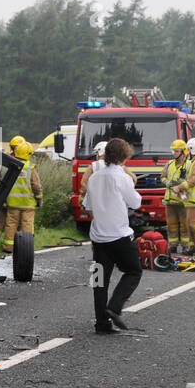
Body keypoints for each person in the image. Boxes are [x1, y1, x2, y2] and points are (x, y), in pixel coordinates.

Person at [84, 138, 143, 334]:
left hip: (98, 239)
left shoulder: (94, 178)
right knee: (134, 271)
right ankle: (115, 306)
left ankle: (101, 324)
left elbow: (88, 206)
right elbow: (135, 203)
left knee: (99, 281)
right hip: (119, 236)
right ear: (125, 155)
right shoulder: (122, 177)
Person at [0, 135, 42, 255]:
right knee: (27, 225)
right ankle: (25, 248)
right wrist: (39, 199)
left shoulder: (12, 165)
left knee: (11, 224)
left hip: (12, 203)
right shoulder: (30, 168)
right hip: (28, 205)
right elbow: (36, 186)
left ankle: (8, 247)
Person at [163, 139, 190, 251]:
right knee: (171, 226)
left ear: (183, 152)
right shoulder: (169, 164)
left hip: (183, 201)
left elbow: (190, 181)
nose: (174, 153)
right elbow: (162, 177)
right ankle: (173, 246)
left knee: (185, 225)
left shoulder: (189, 165)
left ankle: (185, 246)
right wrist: (169, 184)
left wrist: (179, 186)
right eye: (173, 151)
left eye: (177, 151)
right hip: (170, 201)